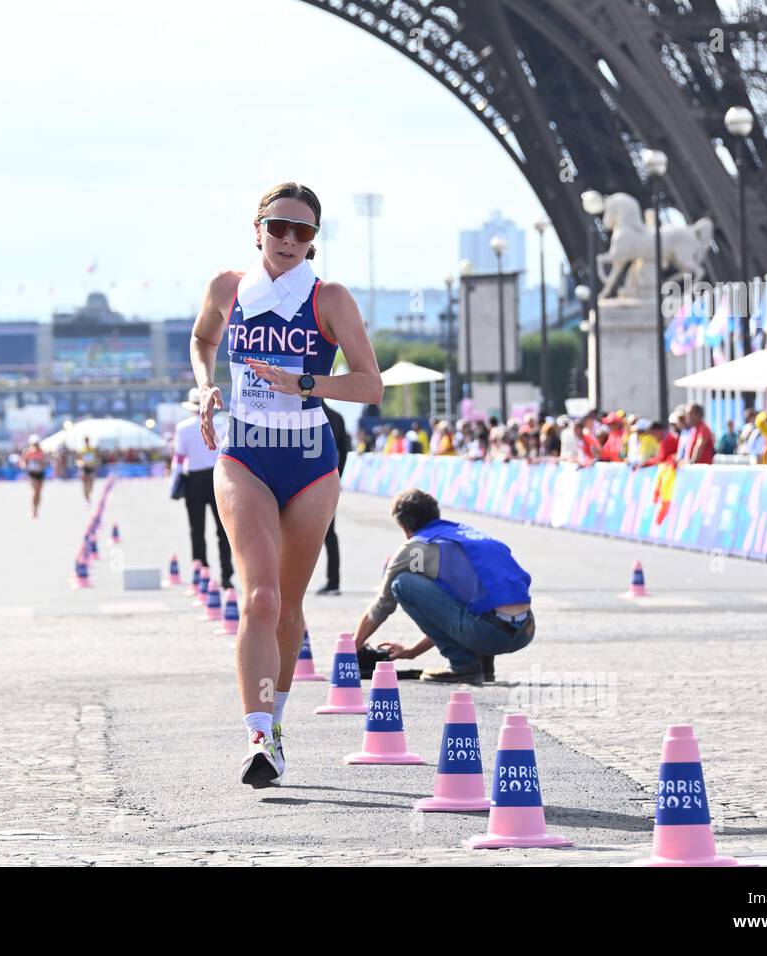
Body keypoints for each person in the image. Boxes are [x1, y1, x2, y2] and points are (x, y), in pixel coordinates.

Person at [189, 181, 382, 788]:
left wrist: (304, 385)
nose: (290, 240)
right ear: (258, 229)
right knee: (260, 598)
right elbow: (201, 339)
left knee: (290, 606)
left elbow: (370, 385)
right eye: (280, 227)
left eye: (304, 232)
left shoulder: (330, 300)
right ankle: (256, 736)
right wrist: (206, 384)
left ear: (315, 241)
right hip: (245, 451)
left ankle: (275, 722)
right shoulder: (227, 288)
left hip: (308, 456)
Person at [352, 489, 534, 686]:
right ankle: (482, 665)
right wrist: (413, 651)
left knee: (403, 583)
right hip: (525, 630)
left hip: (488, 634)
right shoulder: (468, 535)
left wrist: (350, 649)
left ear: (403, 526)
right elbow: (447, 618)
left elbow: (381, 607)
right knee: (473, 599)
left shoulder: (415, 547)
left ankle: (464, 666)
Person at [173, 387, 234, 589]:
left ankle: (201, 572)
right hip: (218, 476)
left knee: (196, 529)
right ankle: (226, 574)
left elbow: (178, 460)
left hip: (194, 480)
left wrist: (175, 484)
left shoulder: (183, 428)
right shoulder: (222, 423)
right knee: (223, 529)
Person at [317, 400, 350, 595]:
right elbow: (345, 452)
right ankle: (334, 580)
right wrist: (337, 476)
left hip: (304, 478)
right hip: (329, 479)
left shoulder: (306, 413)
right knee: (330, 533)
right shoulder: (337, 417)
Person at [17, 435, 48, 518]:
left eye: (36, 444)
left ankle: (36, 508)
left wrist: (41, 463)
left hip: (40, 473)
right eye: (34, 444)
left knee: (39, 493)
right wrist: (24, 465)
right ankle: (33, 510)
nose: (35, 445)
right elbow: (22, 462)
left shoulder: (42, 452)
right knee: (35, 492)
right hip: (32, 473)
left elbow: (45, 463)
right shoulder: (28, 452)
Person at [76, 436, 100, 504]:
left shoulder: (93, 449)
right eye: (86, 440)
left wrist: (96, 465)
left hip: (91, 467)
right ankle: (87, 498)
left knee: (91, 484)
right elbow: (78, 459)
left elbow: (96, 458)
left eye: (87, 440)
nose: (86, 442)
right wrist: (80, 464)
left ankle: (88, 494)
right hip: (84, 468)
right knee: (85, 483)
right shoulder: (82, 450)